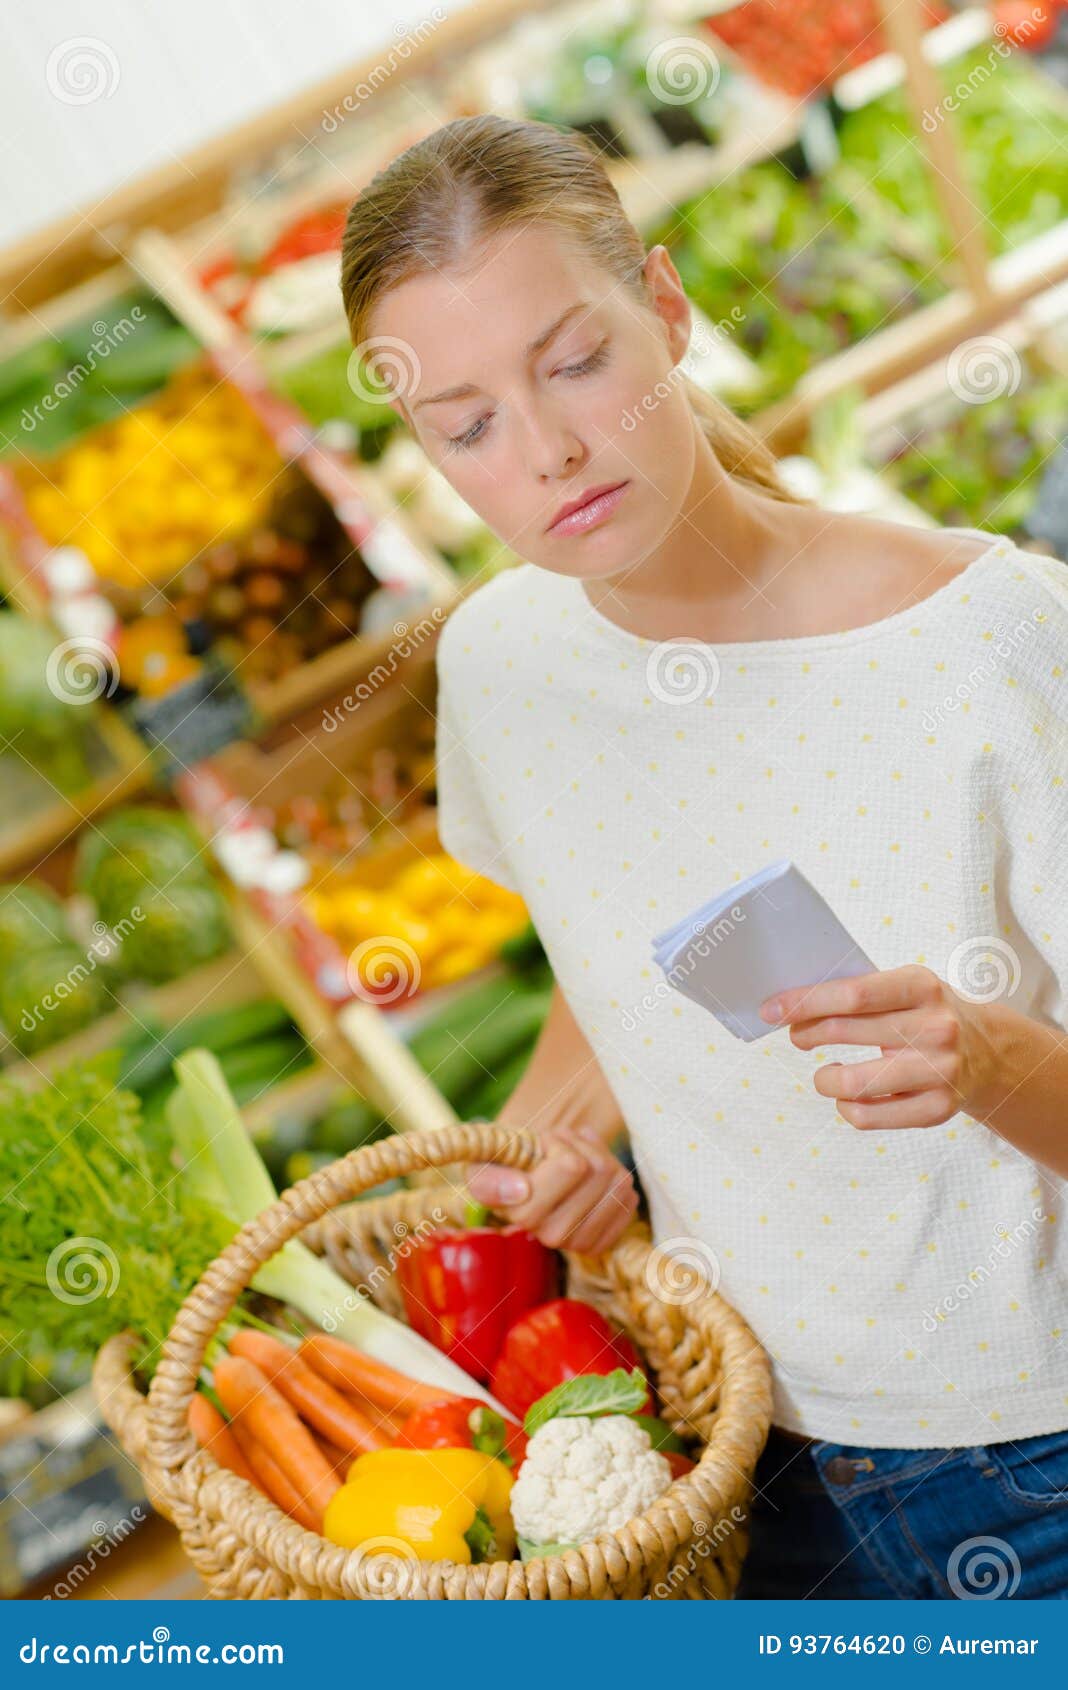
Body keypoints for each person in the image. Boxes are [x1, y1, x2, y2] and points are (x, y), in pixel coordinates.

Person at [340, 113, 1068, 1599]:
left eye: (575, 360)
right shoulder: (498, 664)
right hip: (726, 1444)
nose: (545, 451)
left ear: (665, 308)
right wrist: (558, 1133)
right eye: (467, 424)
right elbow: (610, 959)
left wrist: (988, 1059)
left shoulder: (999, 641)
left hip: (1030, 1454)